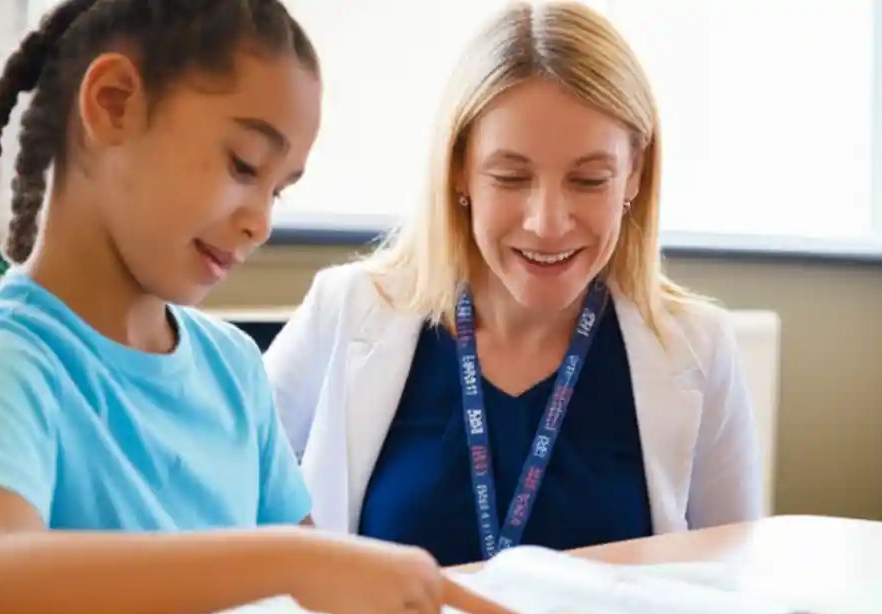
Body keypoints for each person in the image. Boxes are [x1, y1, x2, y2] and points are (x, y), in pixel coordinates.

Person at [0, 0, 535, 614]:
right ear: (114, 103)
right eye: (243, 165)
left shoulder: (231, 366)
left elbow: (317, 603)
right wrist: (288, 563)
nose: (261, 221)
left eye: (279, 188)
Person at [263, 1, 762, 567]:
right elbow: (221, 510)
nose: (547, 223)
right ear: (459, 169)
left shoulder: (700, 347)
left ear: (635, 174)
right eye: (511, 176)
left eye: (588, 179)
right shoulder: (346, 310)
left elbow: (733, 589)